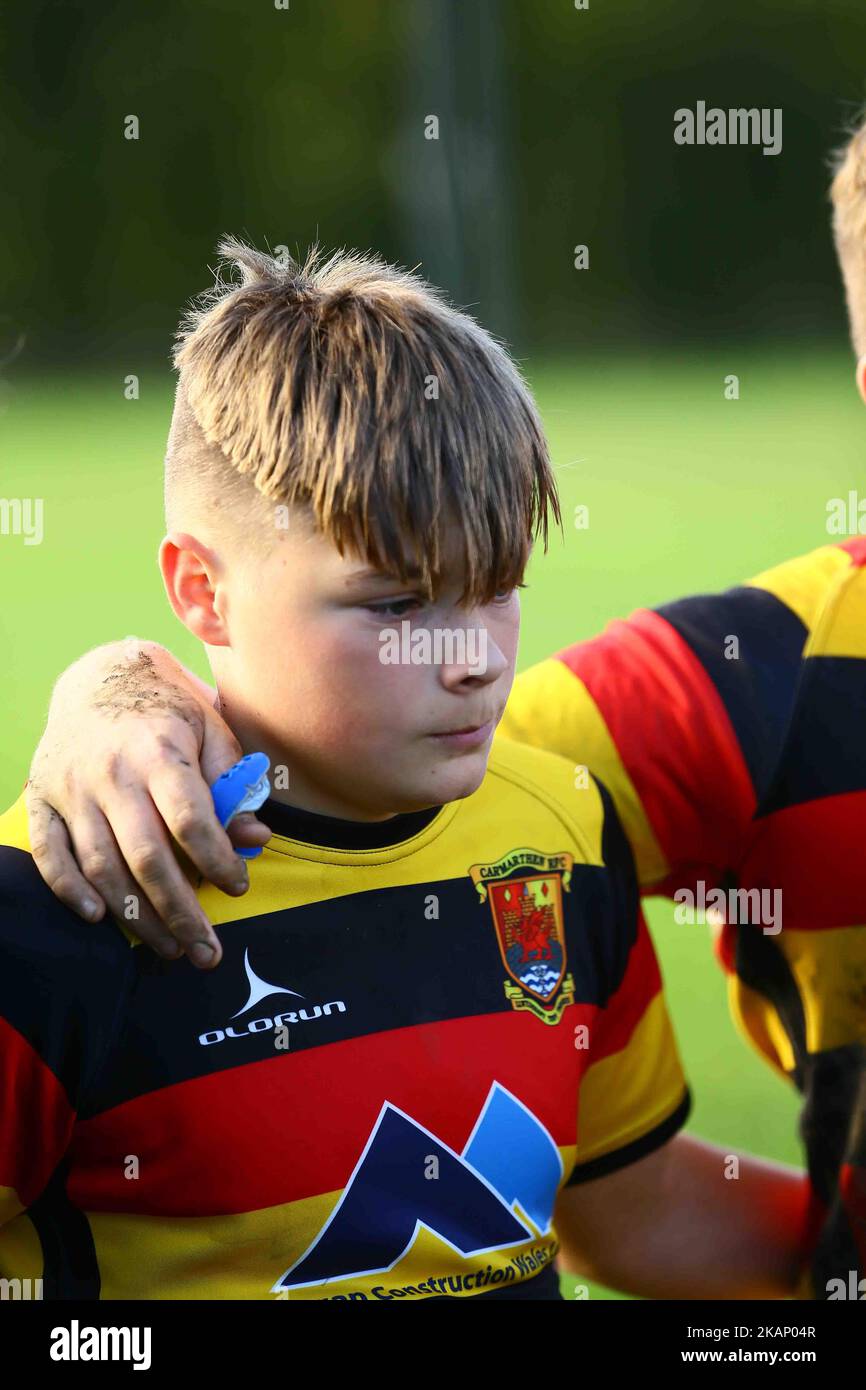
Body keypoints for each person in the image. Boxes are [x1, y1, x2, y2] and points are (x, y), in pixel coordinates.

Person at [26, 118, 866, 1302]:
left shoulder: (556, 829)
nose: (471, 659)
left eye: (502, 587)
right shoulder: (62, 904)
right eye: (395, 603)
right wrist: (112, 685)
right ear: (198, 592)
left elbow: (627, 1205)